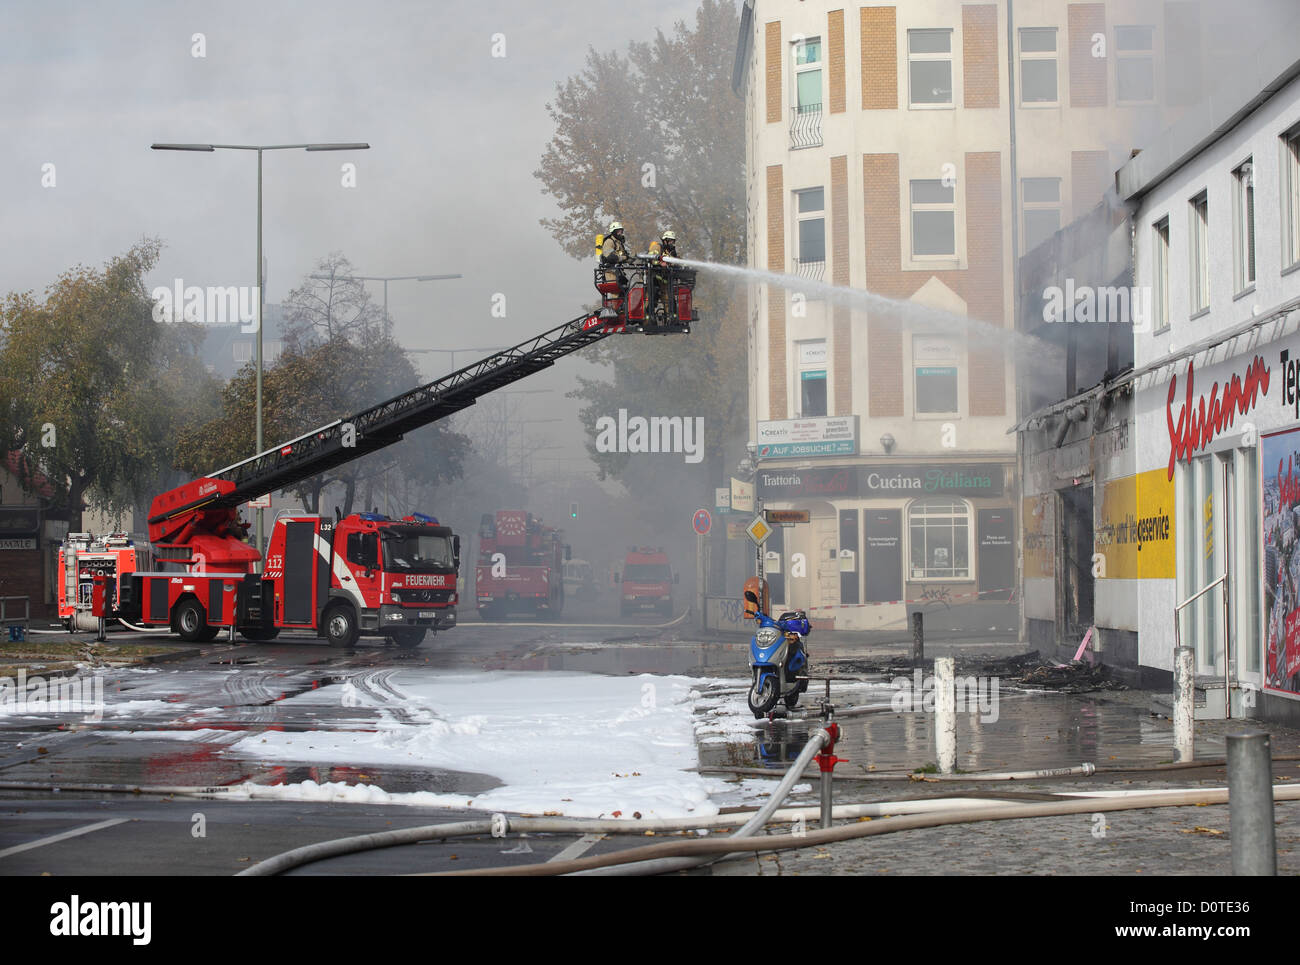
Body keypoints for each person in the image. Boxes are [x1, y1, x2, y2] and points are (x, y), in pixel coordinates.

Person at [647, 229, 679, 324]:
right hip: (654, 277)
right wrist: (660, 263)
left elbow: (675, 261)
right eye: (670, 241)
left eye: (673, 241)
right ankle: (649, 318)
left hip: (665, 279)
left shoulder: (671, 252)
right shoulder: (657, 247)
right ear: (665, 240)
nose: (672, 243)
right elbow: (651, 258)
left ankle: (672, 319)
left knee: (669, 299)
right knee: (653, 297)